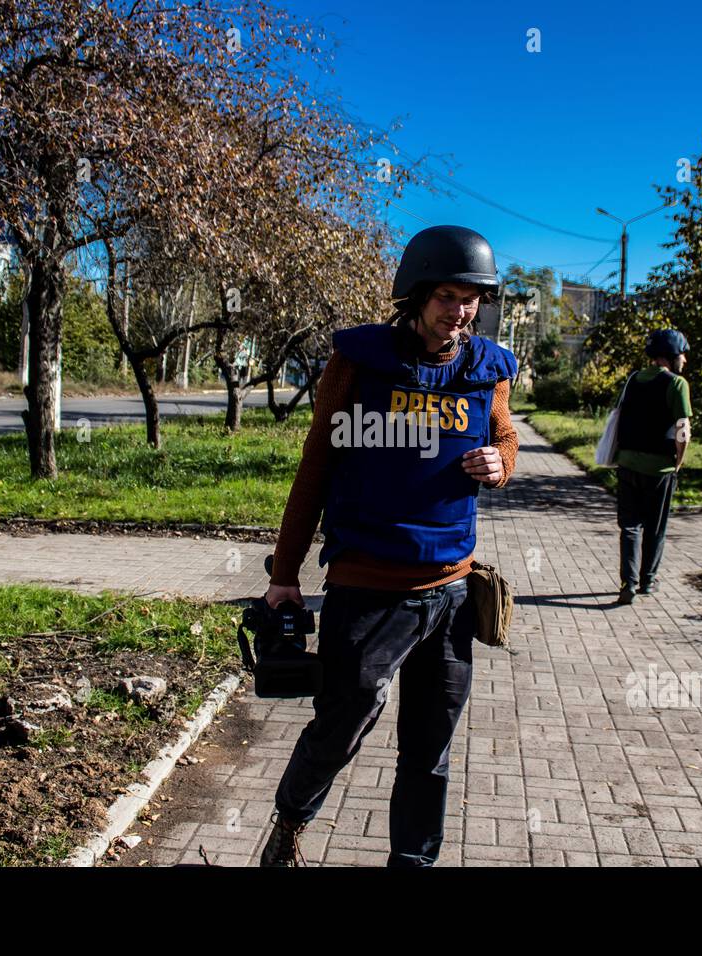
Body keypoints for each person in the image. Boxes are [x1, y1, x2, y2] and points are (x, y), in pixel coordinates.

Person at [258, 225, 520, 867]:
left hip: (453, 593)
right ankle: (290, 823)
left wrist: (501, 462)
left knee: (430, 749)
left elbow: (506, 436)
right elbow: (316, 464)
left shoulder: (488, 367)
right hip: (369, 588)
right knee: (342, 726)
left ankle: (414, 862)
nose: (460, 312)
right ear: (416, 294)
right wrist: (285, 571)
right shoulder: (360, 360)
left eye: (472, 300)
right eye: (448, 296)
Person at [613, 329, 691, 605]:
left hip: (627, 464)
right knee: (656, 527)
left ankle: (628, 582)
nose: (684, 360)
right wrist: (678, 462)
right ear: (671, 355)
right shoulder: (677, 384)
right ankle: (647, 581)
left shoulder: (634, 379)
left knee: (630, 526)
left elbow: (620, 415)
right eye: (682, 354)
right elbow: (682, 429)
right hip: (659, 469)